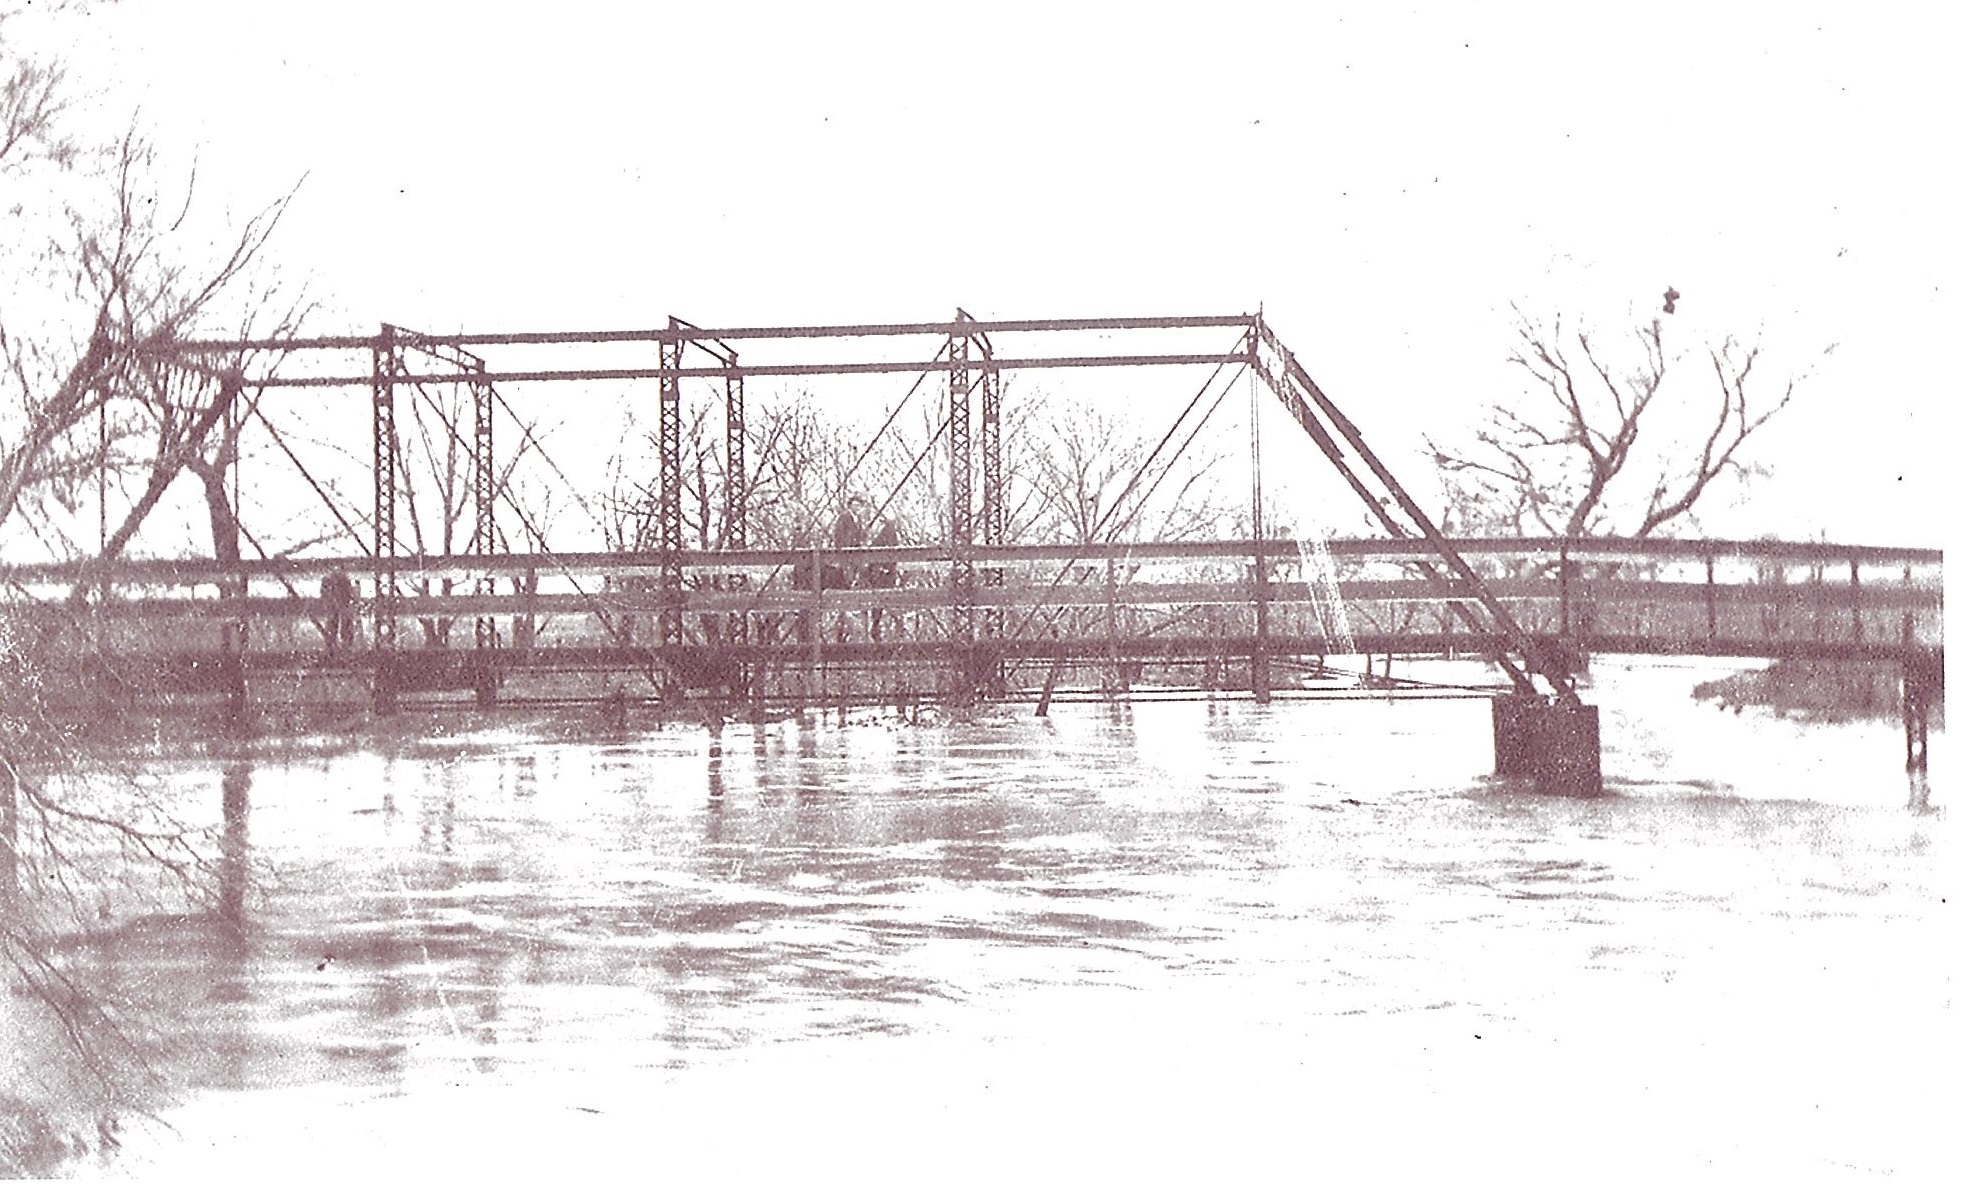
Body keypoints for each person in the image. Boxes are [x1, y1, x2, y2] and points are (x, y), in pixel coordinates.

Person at [321, 568, 357, 652]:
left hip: (341, 603)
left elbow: (348, 594)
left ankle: (341, 643)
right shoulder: (336, 580)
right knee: (335, 620)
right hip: (338, 604)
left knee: (341, 621)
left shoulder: (341, 581)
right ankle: (337, 643)